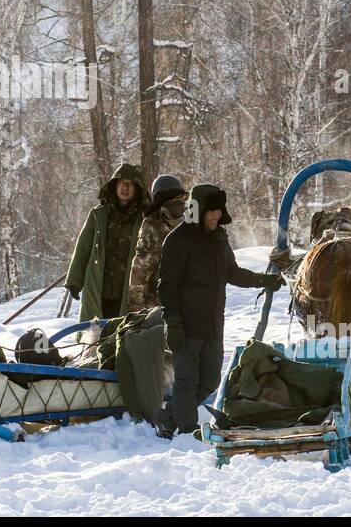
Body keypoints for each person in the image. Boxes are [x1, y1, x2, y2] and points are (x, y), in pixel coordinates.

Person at [156, 184, 283, 435]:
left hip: (213, 326)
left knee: (211, 380)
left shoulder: (219, 237)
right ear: (197, 210)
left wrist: (264, 280)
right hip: (185, 326)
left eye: (218, 211)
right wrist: (174, 322)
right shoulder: (177, 241)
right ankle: (187, 433)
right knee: (186, 383)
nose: (216, 216)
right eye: (211, 211)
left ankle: (170, 414)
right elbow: (166, 287)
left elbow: (232, 273)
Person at [64, 163, 150, 322]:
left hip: (128, 290)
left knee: (123, 334)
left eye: (130, 184)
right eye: (121, 183)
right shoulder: (99, 215)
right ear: (114, 186)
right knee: (94, 333)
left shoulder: (144, 219)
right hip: (99, 287)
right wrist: (74, 281)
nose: (125, 187)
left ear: (137, 188)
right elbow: (83, 248)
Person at [127, 174, 188, 311]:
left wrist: (135, 307)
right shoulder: (190, 220)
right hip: (184, 302)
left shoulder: (151, 225)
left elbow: (141, 267)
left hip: (159, 304)